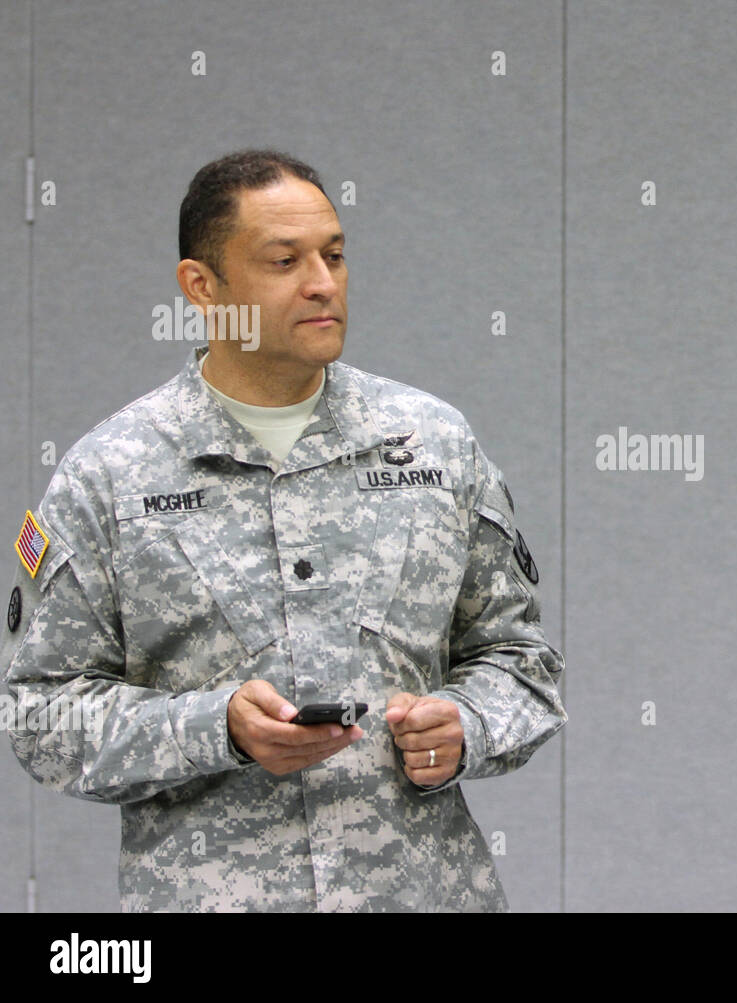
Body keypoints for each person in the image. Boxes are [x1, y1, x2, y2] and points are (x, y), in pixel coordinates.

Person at [2, 149, 565, 911]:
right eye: (284, 260)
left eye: (334, 255)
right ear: (203, 288)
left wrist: (466, 724)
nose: (322, 282)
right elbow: (40, 715)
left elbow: (522, 661)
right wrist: (214, 728)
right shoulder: (111, 473)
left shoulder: (434, 445)